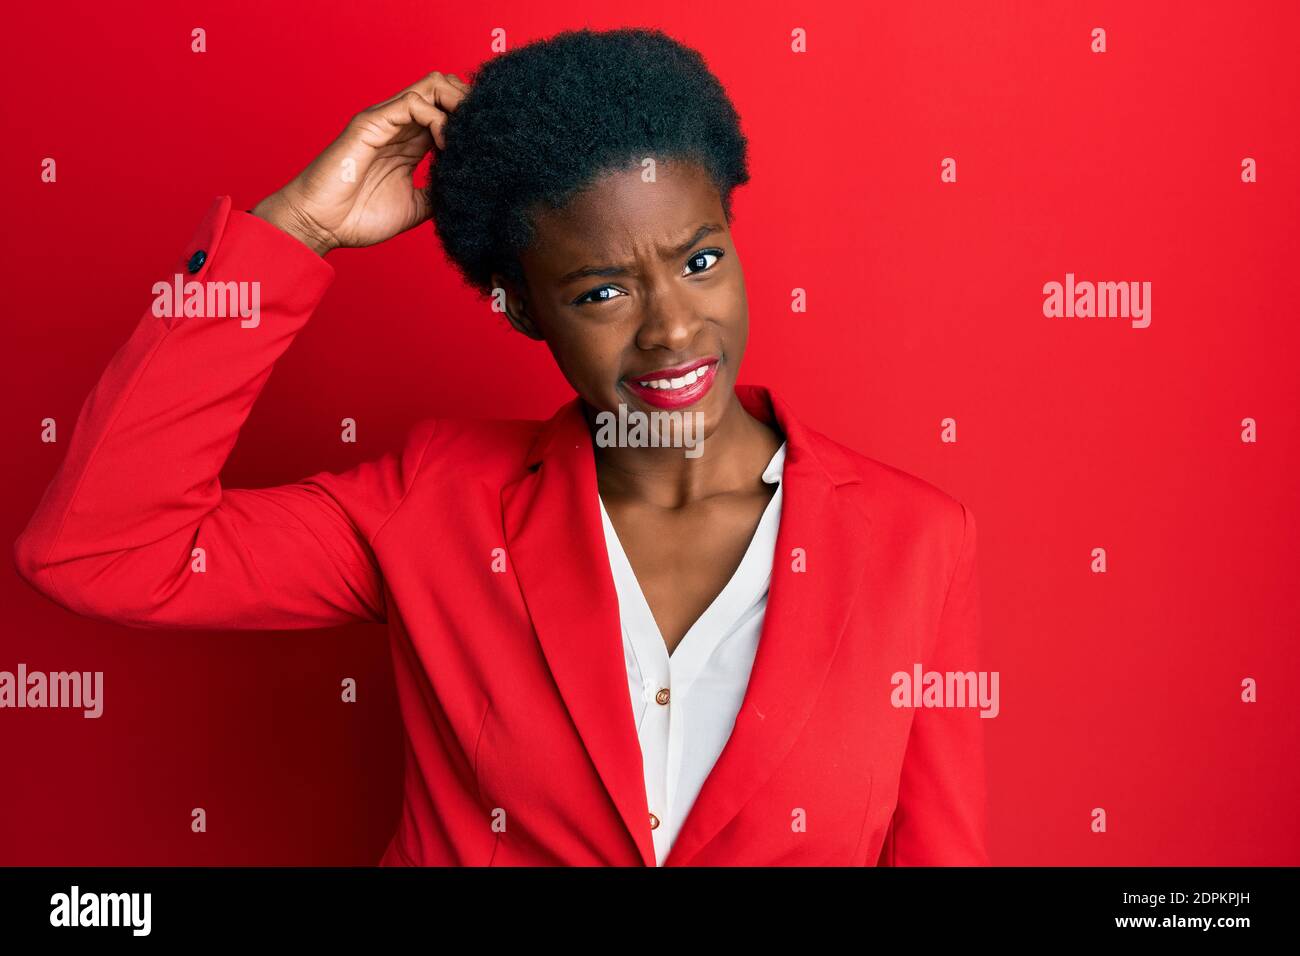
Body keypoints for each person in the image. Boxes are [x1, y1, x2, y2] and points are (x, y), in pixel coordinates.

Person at [13, 27, 988, 866]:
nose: (670, 330)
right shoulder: (436, 504)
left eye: (698, 260)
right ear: (520, 308)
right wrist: (298, 227)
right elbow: (102, 549)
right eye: (600, 291)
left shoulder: (913, 539)